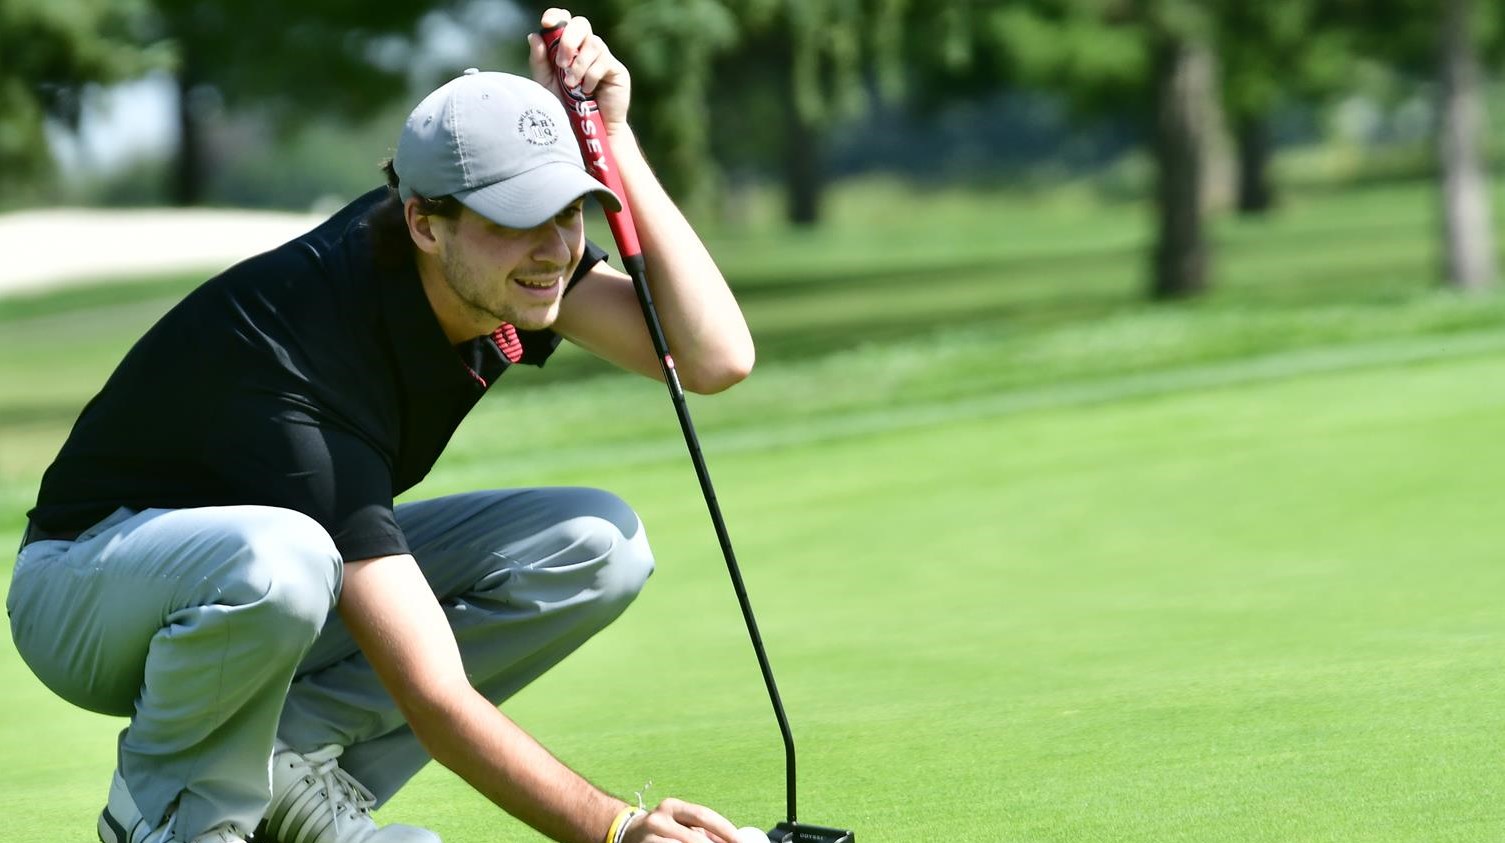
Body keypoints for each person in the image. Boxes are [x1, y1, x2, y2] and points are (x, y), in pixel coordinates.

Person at [7, 9, 757, 843]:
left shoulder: (503, 267)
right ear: (425, 223)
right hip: (88, 590)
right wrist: (618, 829)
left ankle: (284, 766)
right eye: (516, 217)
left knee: (595, 545)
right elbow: (434, 694)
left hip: (268, 579)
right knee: (282, 559)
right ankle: (169, 812)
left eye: (570, 209)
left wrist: (608, 142)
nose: (552, 248)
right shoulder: (309, 348)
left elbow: (714, 355)